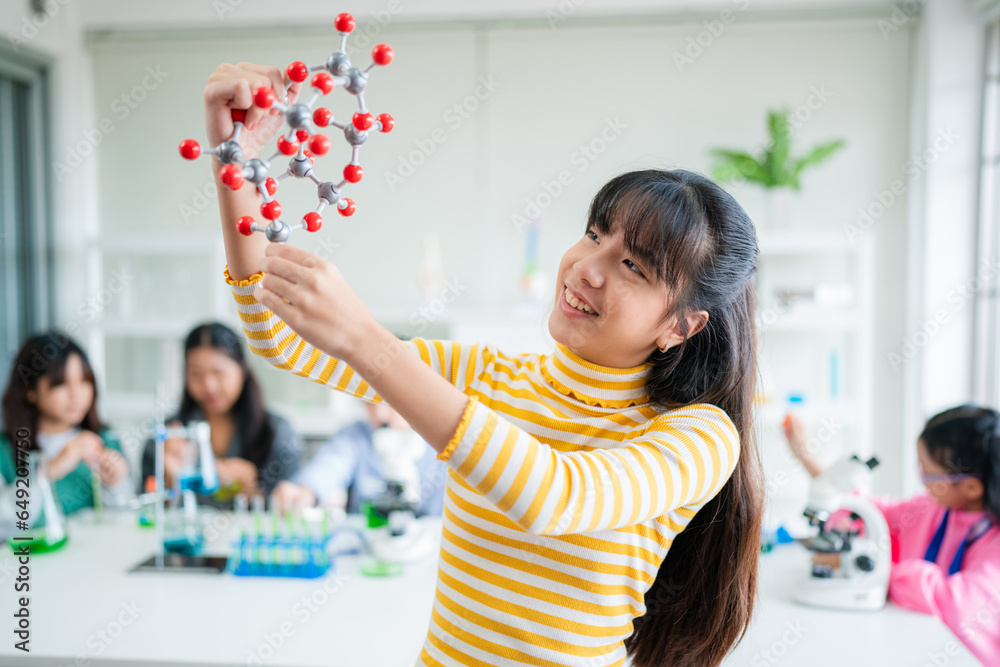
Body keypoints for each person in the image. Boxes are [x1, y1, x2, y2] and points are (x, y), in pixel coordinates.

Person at [204, 63, 762, 667]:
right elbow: (281, 341)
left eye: (633, 266)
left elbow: (556, 497)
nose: (586, 268)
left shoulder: (698, 436)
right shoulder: (489, 375)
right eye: (595, 234)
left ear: (681, 325)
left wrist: (365, 339)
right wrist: (235, 163)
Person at [784, 406, 1000, 665]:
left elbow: (952, 606)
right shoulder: (935, 508)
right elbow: (869, 513)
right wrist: (807, 460)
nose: (922, 480)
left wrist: (867, 567)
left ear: (972, 487)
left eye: (926, 472)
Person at [140, 322, 302, 500]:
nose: (209, 386)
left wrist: (255, 491)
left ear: (243, 369)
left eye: (218, 373)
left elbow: (293, 504)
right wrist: (170, 480)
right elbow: (144, 504)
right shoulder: (166, 435)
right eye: (196, 374)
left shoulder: (277, 433)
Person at [0, 333, 130, 518]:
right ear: (30, 390)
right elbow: (4, 523)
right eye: (61, 383)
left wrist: (116, 483)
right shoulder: (4, 451)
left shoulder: (106, 439)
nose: (76, 394)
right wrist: (51, 470)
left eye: (84, 381)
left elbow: (130, 516)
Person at [271, 400, 446, 516]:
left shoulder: (443, 441)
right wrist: (305, 491)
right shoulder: (355, 437)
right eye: (370, 403)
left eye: (389, 402)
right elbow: (330, 465)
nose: (380, 415)